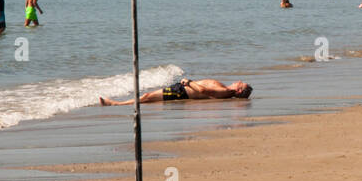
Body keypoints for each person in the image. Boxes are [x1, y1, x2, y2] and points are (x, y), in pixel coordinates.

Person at [100, 77, 253, 105]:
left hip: (182, 91)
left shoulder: (225, 92)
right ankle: (117, 103)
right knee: (150, 99)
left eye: (240, 83)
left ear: (238, 91)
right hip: (182, 91)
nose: (238, 81)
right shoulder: (226, 90)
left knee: (147, 97)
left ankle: (116, 104)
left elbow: (205, 90)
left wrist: (189, 82)